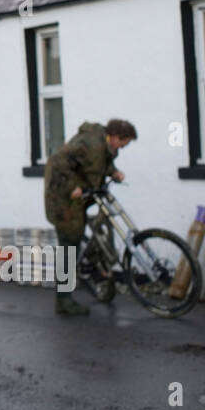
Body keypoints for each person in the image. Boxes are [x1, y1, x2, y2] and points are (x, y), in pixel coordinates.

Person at [43, 118, 137, 315]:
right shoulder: (90, 143)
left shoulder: (105, 145)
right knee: (69, 245)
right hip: (61, 196)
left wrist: (114, 172)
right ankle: (64, 300)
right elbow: (57, 161)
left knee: (77, 238)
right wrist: (71, 187)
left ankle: (90, 264)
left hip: (80, 196)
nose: (124, 147)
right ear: (116, 137)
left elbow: (98, 164)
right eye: (124, 143)